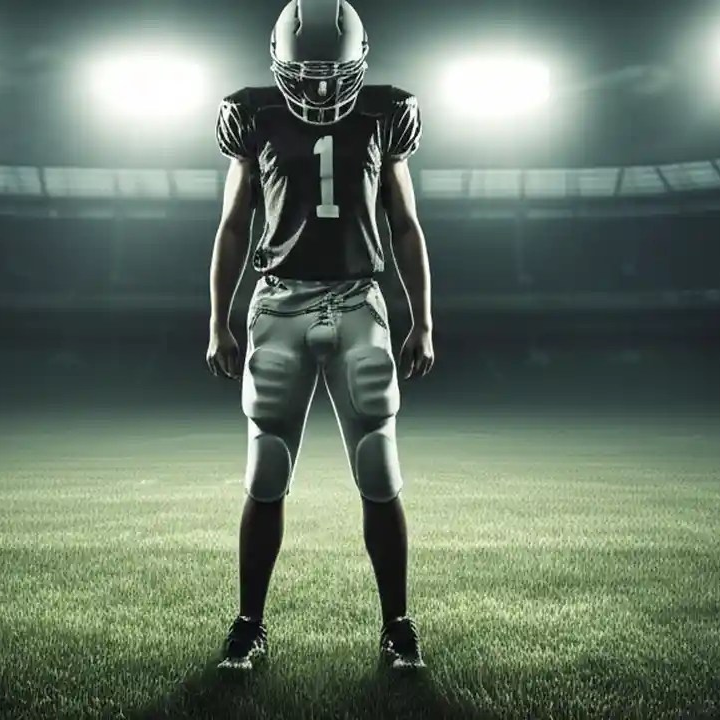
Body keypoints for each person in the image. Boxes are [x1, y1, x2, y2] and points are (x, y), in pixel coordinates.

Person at [205, 0, 434, 671]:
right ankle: (249, 626)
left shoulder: (384, 116)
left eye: (335, 74)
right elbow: (232, 226)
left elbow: (406, 226)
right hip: (278, 301)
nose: (324, 88)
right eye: (308, 73)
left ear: (359, 64)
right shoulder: (254, 117)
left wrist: (424, 318)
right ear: (279, 64)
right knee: (267, 468)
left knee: (378, 470)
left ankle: (398, 628)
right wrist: (217, 318)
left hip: (360, 298)